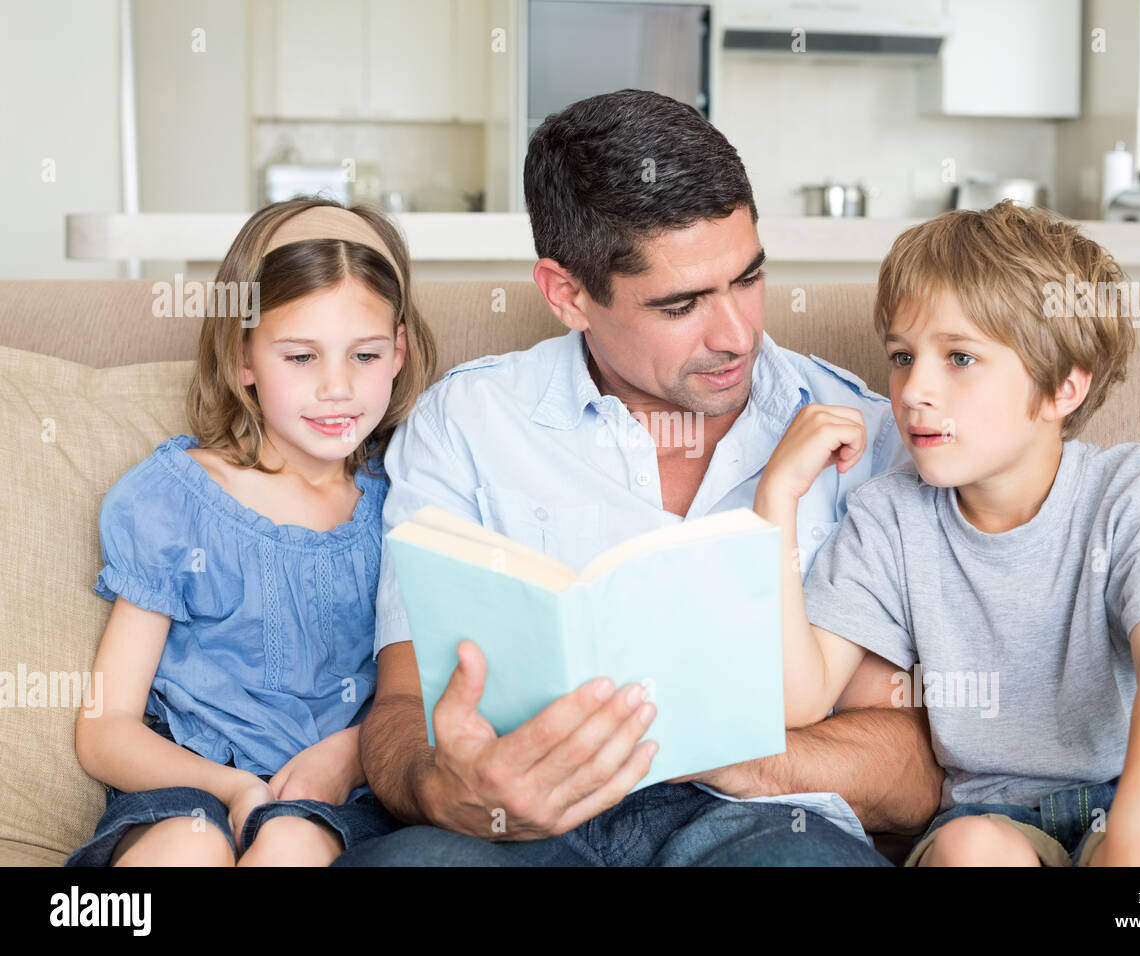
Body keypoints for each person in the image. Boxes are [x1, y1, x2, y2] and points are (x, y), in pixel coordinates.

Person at [335, 89, 943, 867]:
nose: (736, 335)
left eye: (748, 279)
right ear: (567, 295)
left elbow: (909, 769)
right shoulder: (469, 423)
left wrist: (706, 750)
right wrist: (447, 788)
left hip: (759, 822)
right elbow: (398, 709)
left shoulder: (866, 430)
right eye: (681, 303)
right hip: (523, 830)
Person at [761, 200, 1140, 866]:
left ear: (1060, 389)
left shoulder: (1130, 493)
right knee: (970, 849)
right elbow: (796, 699)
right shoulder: (888, 516)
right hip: (997, 815)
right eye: (902, 356)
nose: (912, 389)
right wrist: (777, 502)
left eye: (959, 356)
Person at [66, 198, 438, 866]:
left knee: (289, 841)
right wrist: (233, 789)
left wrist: (349, 754)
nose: (336, 387)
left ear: (399, 352)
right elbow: (104, 728)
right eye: (300, 357)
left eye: (364, 355)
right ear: (244, 358)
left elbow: (428, 692)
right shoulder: (175, 502)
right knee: (190, 843)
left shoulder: (407, 504)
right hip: (189, 789)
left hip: (336, 804)